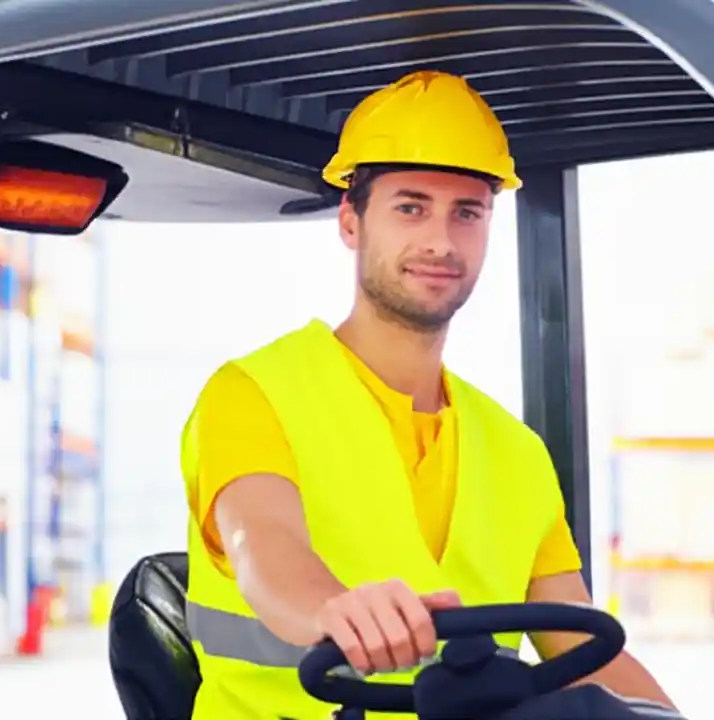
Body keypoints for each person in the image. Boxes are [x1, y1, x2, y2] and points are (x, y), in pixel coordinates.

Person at [180, 69, 675, 720]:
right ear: (351, 221)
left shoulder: (517, 454)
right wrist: (333, 610)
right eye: (410, 208)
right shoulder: (255, 394)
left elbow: (584, 648)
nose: (441, 242)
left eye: (466, 212)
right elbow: (265, 549)